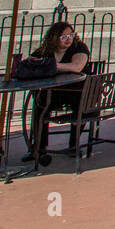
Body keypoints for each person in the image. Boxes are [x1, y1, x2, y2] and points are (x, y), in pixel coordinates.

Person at [22, 21, 91, 161]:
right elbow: (30, 61)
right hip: (55, 91)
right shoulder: (46, 50)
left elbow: (77, 67)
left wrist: (50, 65)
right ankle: (38, 147)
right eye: (63, 36)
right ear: (54, 38)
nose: (68, 39)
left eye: (70, 35)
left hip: (78, 92)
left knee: (81, 107)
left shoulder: (78, 47)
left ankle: (73, 145)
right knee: (40, 104)